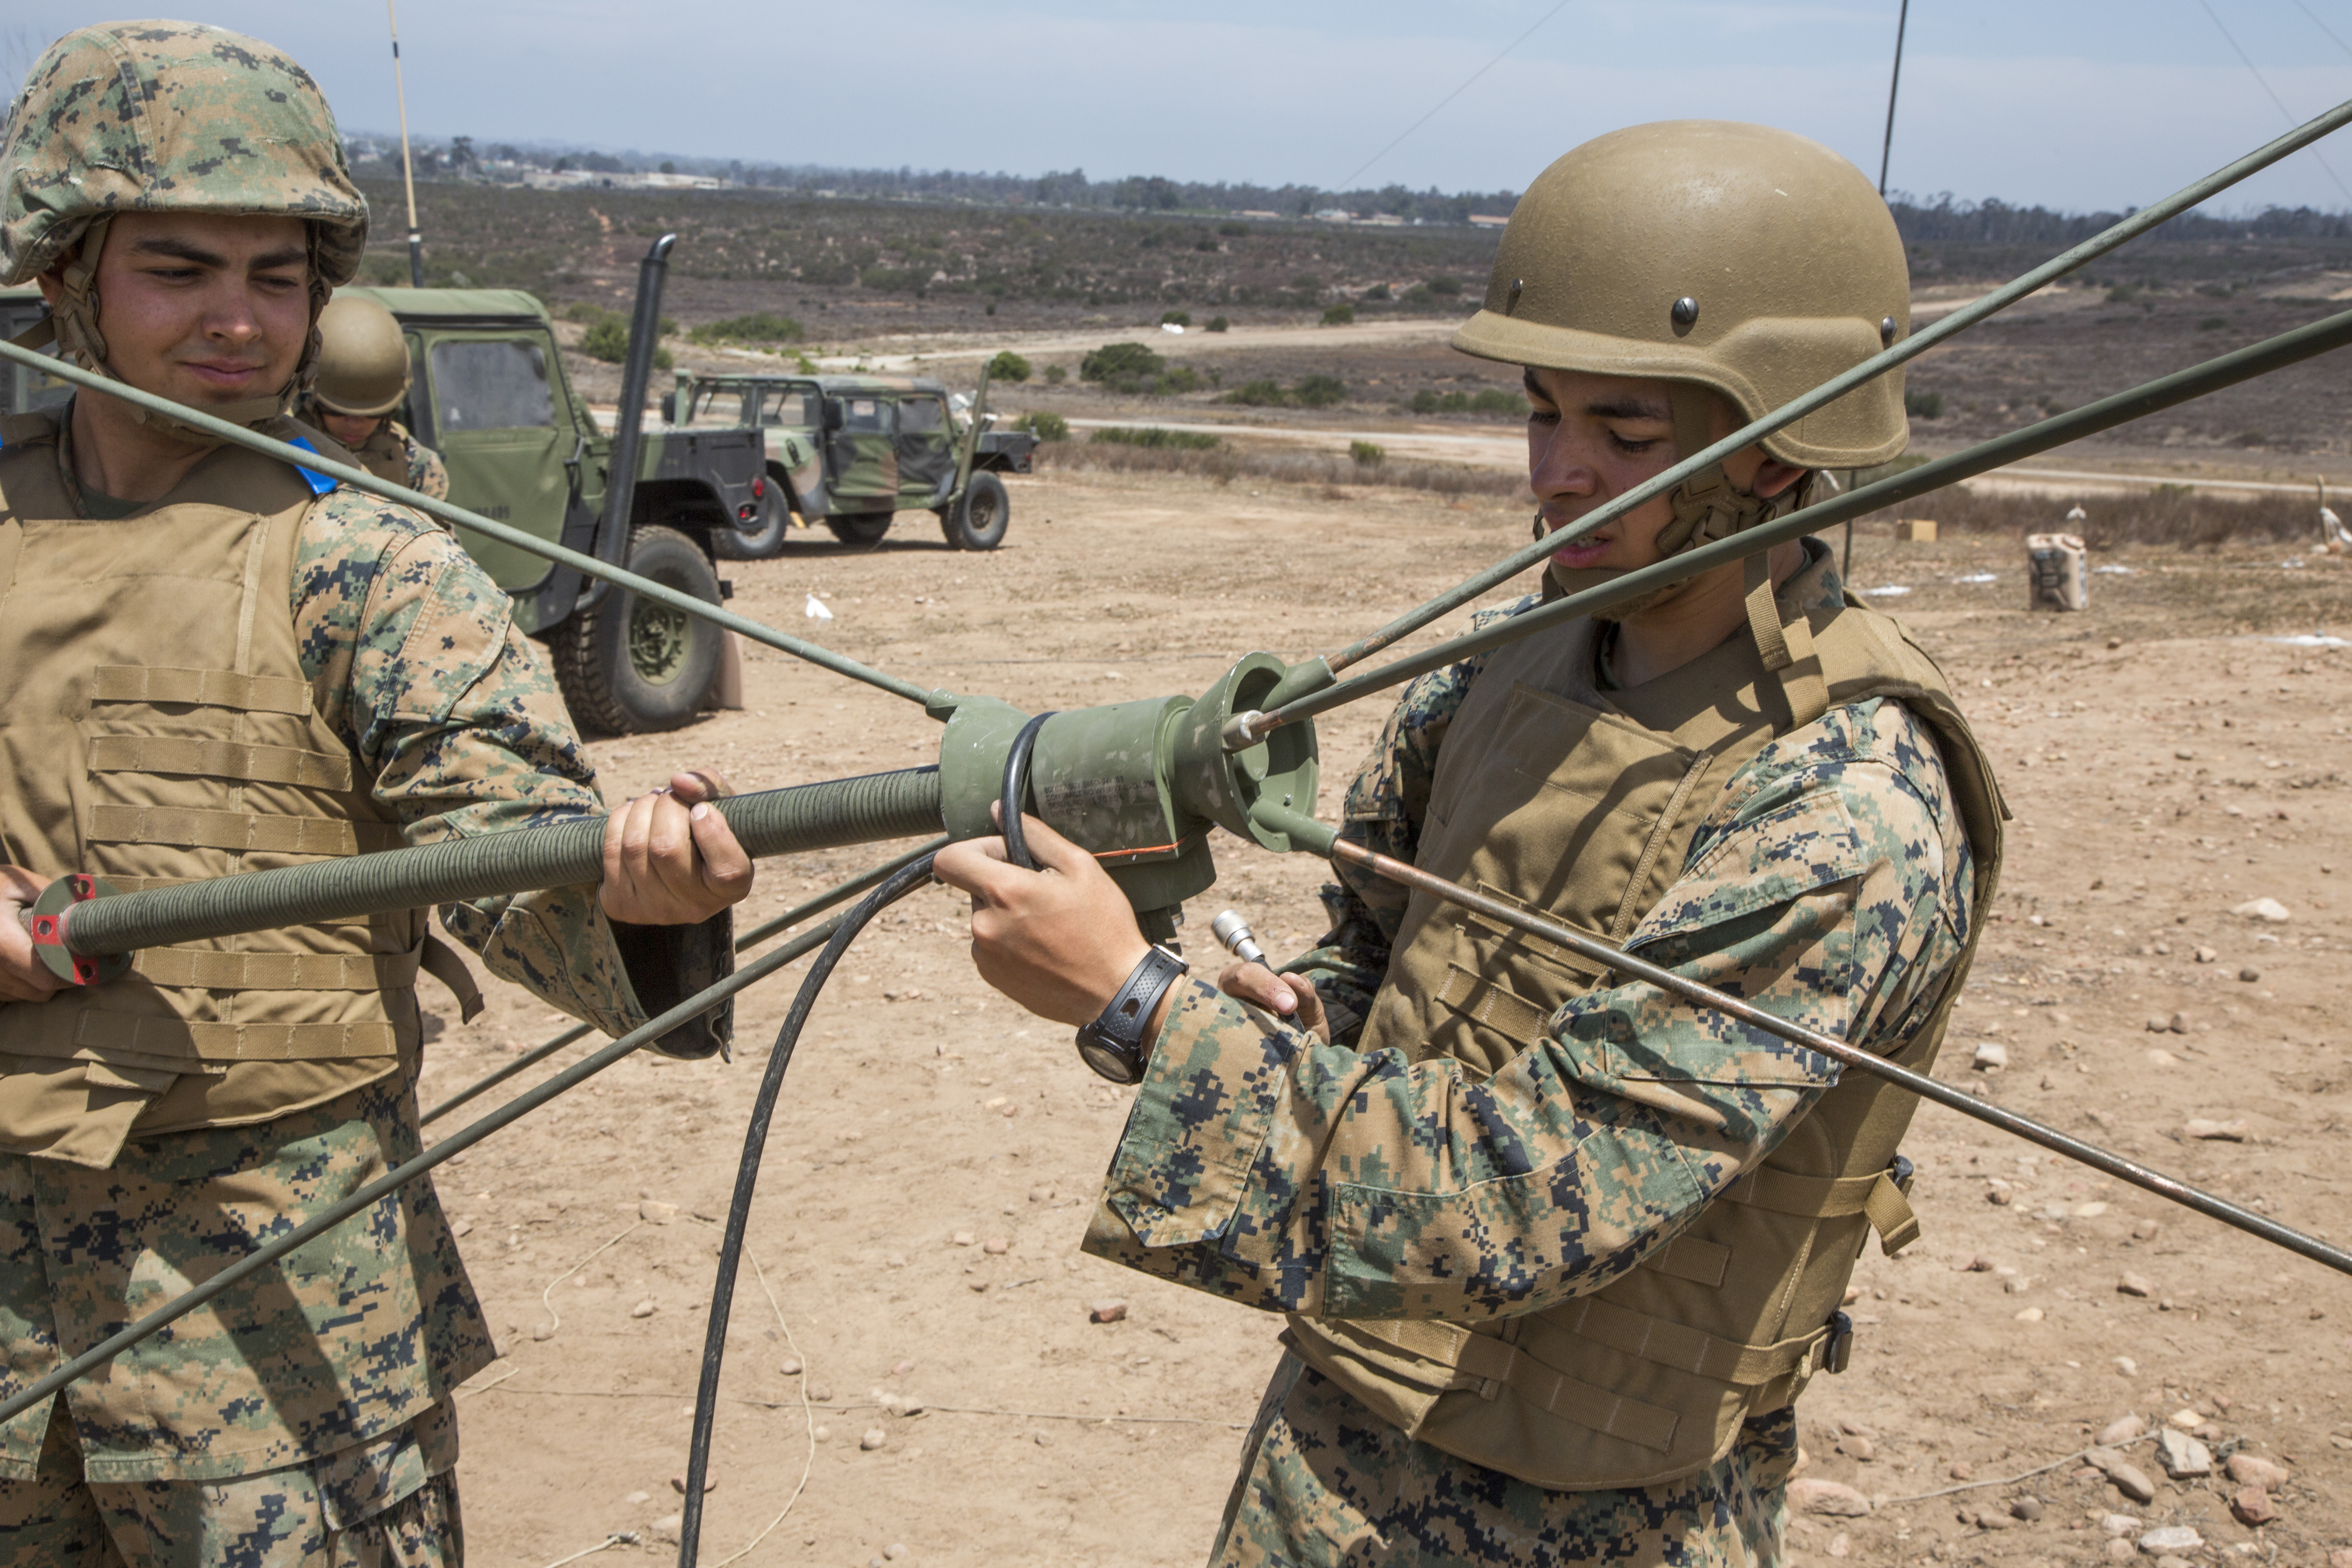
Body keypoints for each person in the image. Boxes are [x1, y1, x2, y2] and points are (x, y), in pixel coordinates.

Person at [937, 120, 2005, 1566]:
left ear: (1776, 456)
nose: (1556, 475)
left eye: (1625, 434)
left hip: (1596, 1508)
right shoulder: (1522, 655)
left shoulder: (1849, 801)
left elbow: (1543, 1192)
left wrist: (1143, 1010)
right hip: (1356, 1412)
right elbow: (1383, 934)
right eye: (1542, 412)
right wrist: (1300, 1010)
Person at [0, 22, 751, 1564]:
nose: (237, 322)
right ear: (68, 273)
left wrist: (633, 892)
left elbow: (502, 840)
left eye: (278, 279)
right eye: (180, 269)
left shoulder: (367, 563)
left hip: (269, 1341)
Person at [303, 293, 449, 503]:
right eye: (337, 411)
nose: (354, 424)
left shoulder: (416, 464)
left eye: (374, 413)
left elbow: (439, 533)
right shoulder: (279, 446)